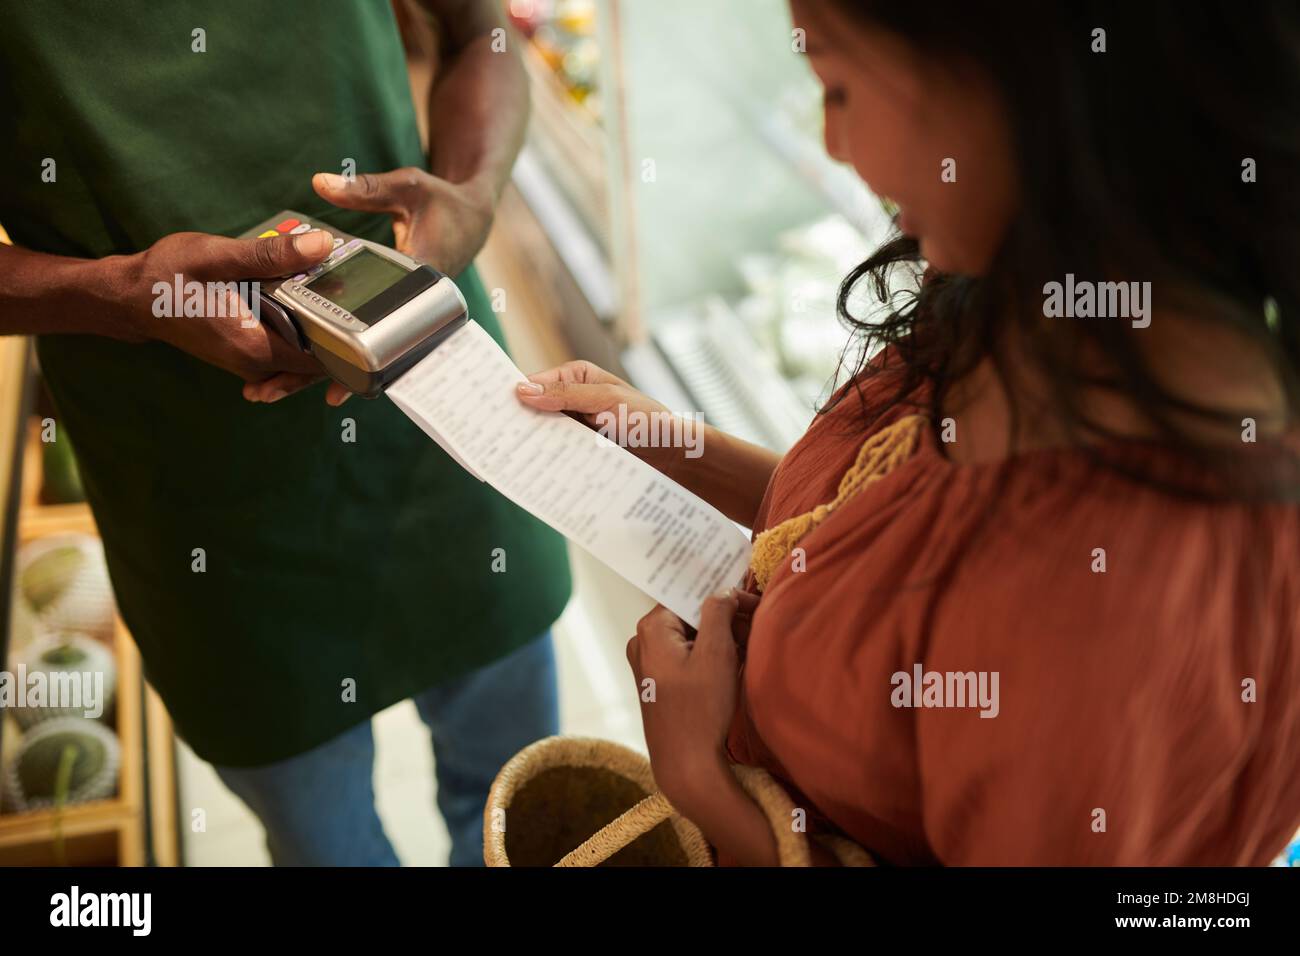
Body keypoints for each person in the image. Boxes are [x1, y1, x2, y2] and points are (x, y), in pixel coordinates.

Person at [517, 0, 1300, 865]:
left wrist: (698, 777)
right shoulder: (1038, 301)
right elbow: (883, 516)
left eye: (841, 86)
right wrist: (670, 440)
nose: (832, 142)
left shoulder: (1111, 601)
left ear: (1018, 88)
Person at [0, 0, 570, 866]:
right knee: (324, 841)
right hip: (190, 480)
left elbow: (479, 33)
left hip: (434, 400)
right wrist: (114, 293)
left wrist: (473, 191)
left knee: (529, 815)